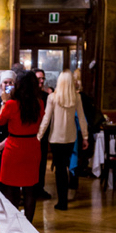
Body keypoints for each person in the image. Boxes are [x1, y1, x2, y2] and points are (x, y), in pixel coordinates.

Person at [0, 71, 44, 223]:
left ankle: (14, 223)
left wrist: (4, 102)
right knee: (30, 189)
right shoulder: (39, 103)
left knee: (11, 188)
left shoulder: (11, 104)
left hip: (14, 148)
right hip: (32, 147)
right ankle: (29, 224)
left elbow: (0, 121)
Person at [38, 70, 88, 211]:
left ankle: (62, 202)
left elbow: (46, 119)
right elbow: (82, 118)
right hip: (71, 137)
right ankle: (63, 201)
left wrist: (39, 136)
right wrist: (85, 136)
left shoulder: (52, 97)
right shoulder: (76, 98)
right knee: (65, 167)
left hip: (55, 137)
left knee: (59, 169)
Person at [34, 70, 52, 199]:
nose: (41, 81)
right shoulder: (27, 96)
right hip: (29, 134)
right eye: (39, 78)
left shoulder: (47, 97)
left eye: (43, 78)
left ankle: (40, 188)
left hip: (43, 134)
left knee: (42, 162)